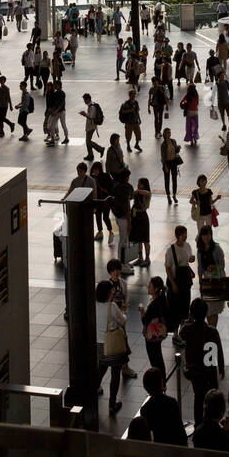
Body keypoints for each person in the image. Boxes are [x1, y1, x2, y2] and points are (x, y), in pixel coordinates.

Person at [181, 299, 226, 425]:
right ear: (206, 313)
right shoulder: (212, 331)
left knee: (198, 397)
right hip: (209, 370)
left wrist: (190, 320)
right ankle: (211, 421)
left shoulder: (187, 329)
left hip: (195, 370)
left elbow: (181, 334)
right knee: (211, 397)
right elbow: (219, 350)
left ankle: (198, 423)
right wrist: (221, 367)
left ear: (191, 313)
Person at [95, 277, 127, 418]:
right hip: (112, 344)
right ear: (108, 293)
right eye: (112, 291)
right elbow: (122, 321)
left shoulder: (94, 305)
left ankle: (93, 389)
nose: (113, 292)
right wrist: (123, 311)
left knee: (101, 367)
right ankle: (112, 404)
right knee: (115, 373)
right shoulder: (112, 307)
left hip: (99, 344)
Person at [140, 368, 189, 446]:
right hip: (176, 445)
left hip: (160, 446)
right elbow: (179, 429)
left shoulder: (145, 409)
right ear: (161, 383)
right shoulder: (172, 402)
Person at [164, 226, 195, 333]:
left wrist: (192, 259)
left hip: (185, 280)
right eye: (182, 234)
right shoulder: (171, 250)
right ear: (177, 236)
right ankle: (175, 332)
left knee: (185, 305)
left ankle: (182, 329)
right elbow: (168, 268)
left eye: (185, 234)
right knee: (175, 307)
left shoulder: (187, 246)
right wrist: (173, 284)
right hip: (176, 280)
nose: (184, 236)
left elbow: (189, 258)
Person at [196, 224, 228, 326]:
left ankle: (213, 328)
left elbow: (222, 265)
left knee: (214, 309)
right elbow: (200, 266)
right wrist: (200, 280)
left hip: (216, 280)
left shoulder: (217, 248)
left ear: (211, 235)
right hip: (206, 281)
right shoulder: (200, 249)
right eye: (204, 235)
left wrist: (214, 267)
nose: (206, 237)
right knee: (207, 308)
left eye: (208, 235)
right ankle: (210, 328)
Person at [138, 276, 169, 374]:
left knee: (154, 359)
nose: (148, 287)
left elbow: (145, 321)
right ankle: (162, 380)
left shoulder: (154, 304)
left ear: (155, 289)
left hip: (152, 336)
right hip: (159, 333)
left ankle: (159, 379)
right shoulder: (162, 300)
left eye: (150, 286)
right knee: (158, 357)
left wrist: (142, 311)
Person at [131, 177, 152, 267]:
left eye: (140, 183)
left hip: (143, 217)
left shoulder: (147, 194)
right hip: (136, 216)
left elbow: (147, 193)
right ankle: (140, 258)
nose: (138, 185)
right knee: (139, 240)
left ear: (144, 184)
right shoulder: (137, 193)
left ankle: (147, 259)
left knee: (145, 240)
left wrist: (137, 191)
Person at [161, 126, 181, 204]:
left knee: (174, 179)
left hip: (174, 162)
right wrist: (165, 165)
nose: (169, 134)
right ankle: (168, 196)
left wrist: (178, 148)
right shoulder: (163, 145)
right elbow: (163, 157)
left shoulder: (173, 141)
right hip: (167, 163)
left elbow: (176, 151)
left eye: (170, 132)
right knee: (167, 180)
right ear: (164, 134)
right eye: (167, 133)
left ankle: (174, 195)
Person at [119, 88, 142, 152]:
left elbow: (137, 111)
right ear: (129, 95)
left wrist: (139, 119)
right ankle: (128, 146)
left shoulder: (136, 102)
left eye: (134, 94)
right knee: (128, 135)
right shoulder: (126, 103)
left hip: (135, 121)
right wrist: (130, 110)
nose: (134, 96)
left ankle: (137, 144)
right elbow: (123, 111)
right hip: (128, 122)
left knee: (138, 133)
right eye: (132, 95)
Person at [180, 78, 200, 146]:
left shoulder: (187, 95)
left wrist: (184, 105)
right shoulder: (196, 95)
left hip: (188, 112)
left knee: (189, 126)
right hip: (195, 112)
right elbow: (197, 103)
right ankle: (195, 138)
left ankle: (190, 139)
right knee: (195, 126)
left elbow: (181, 102)